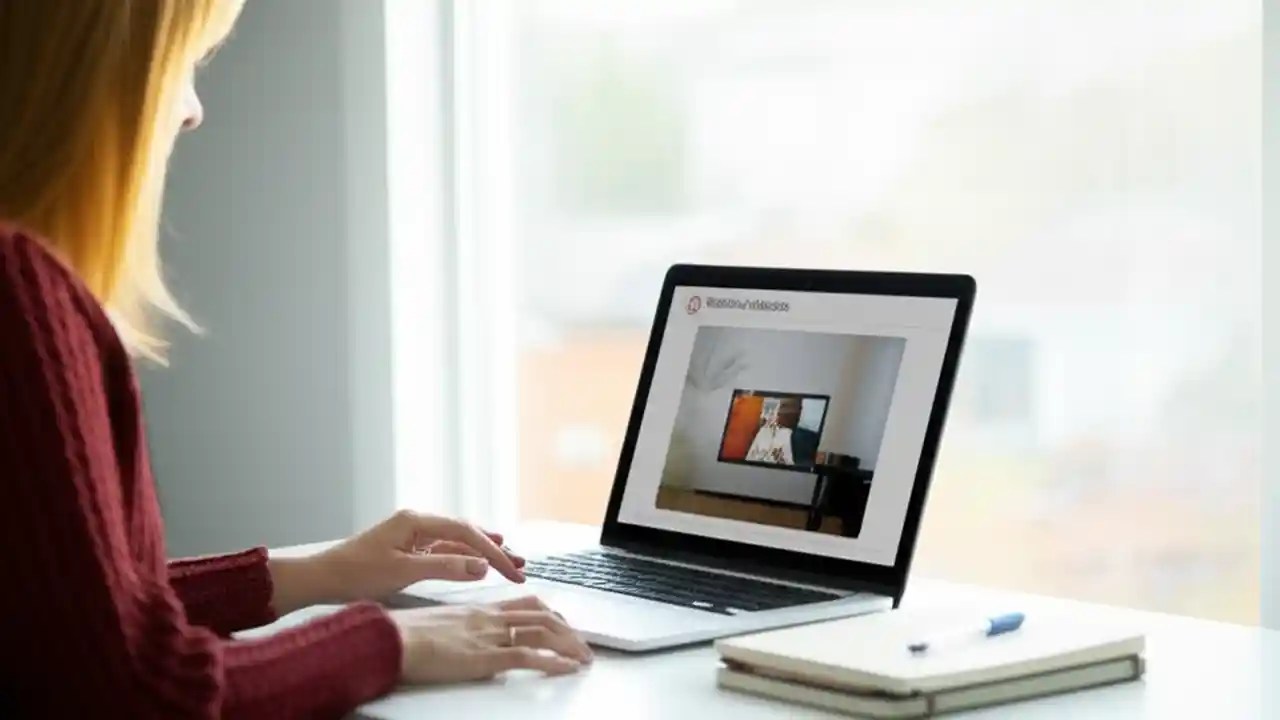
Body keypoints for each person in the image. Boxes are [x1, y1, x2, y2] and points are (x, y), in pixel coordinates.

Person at [0, 2, 590, 718]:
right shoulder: (17, 286)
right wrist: (390, 642)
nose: (191, 111)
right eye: (183, 65)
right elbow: (138, 688)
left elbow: (65, 621)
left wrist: (318, 573)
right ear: (90, 77)